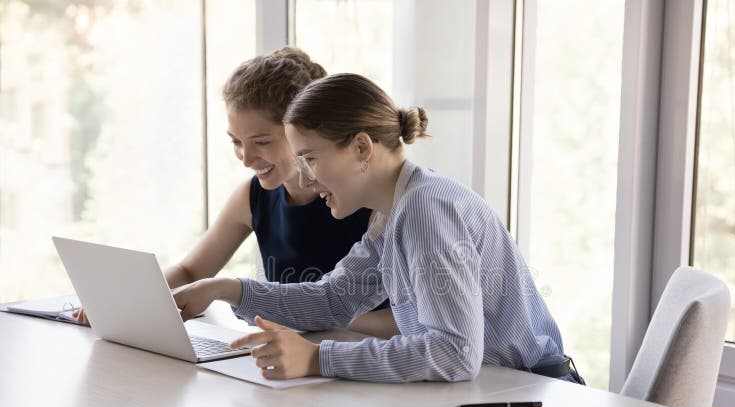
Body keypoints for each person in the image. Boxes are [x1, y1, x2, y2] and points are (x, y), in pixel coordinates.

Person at [173, 73, 582, 384]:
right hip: (490, 392)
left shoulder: (425, 210)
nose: (306, 179)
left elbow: (455, 352)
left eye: (310, 158)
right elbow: (334, 299)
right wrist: (226, 289)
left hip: (534, 393)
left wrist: (318, 358)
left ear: (362, 148)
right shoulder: (394, 212)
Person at [73, 48, 396, 339]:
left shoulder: (365, 200)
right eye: (235, 141)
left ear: (303, 131)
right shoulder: (253, 196)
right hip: (288, 357)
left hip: (353, 357)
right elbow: (190, 271)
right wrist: (131, 299)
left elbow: (402, 319)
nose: (245, 157)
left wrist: (310, 315)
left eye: (261, 141)